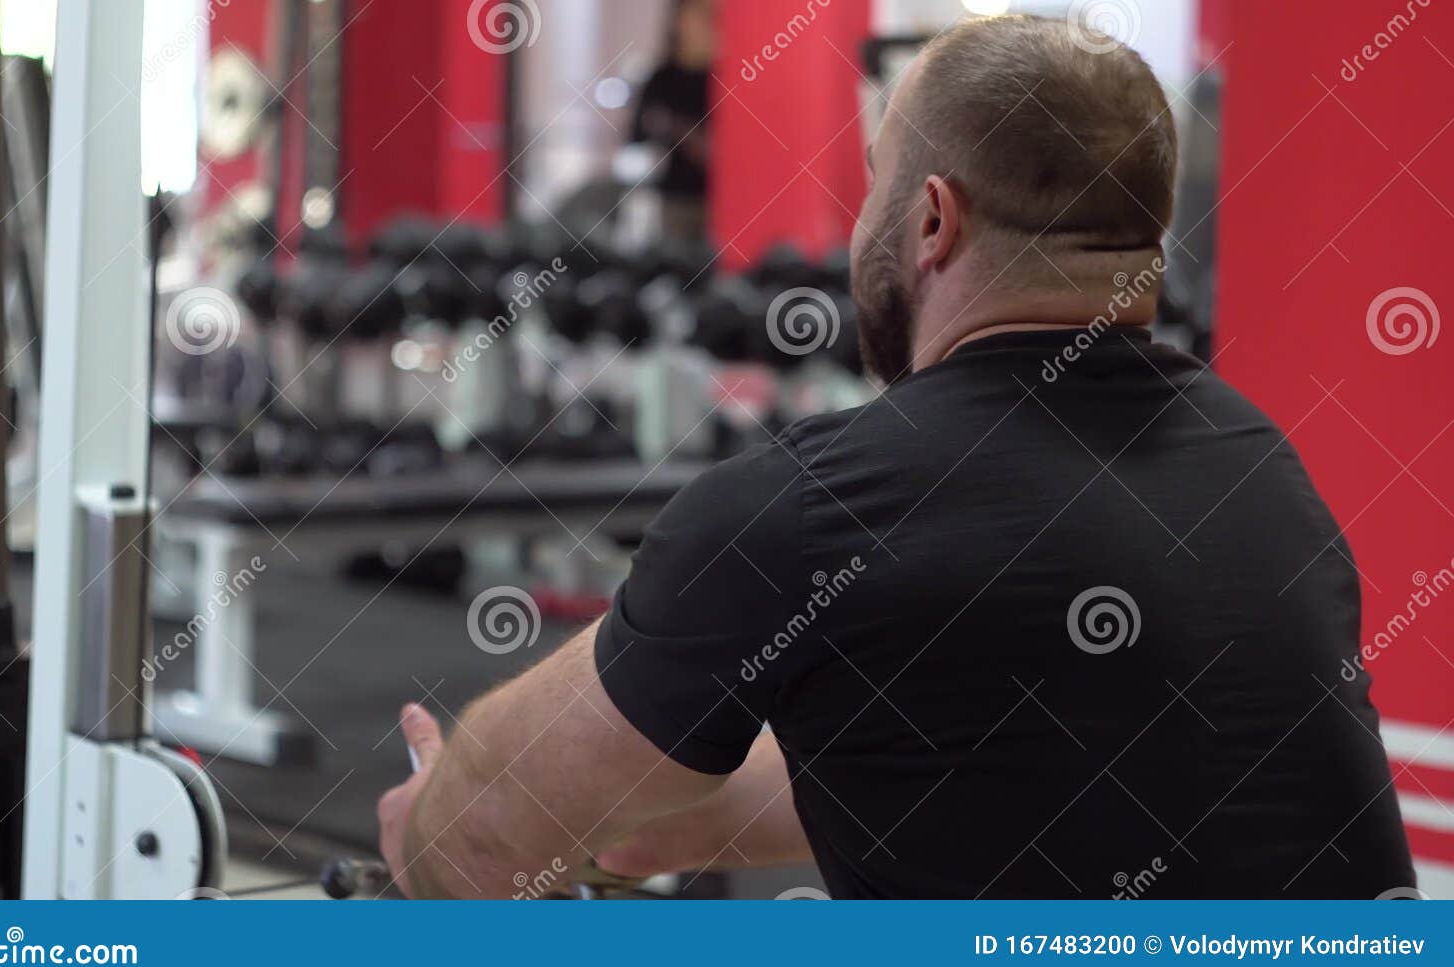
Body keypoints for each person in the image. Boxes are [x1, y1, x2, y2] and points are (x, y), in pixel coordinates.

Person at [375, 15, 1416, 899]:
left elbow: (481, 843)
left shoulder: (809, 508)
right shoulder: (1256, 466)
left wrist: (429, 827)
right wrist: (669, 820)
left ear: (930, 218)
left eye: (876, 179)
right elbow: (992, 748)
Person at [629, 0, 714, 242]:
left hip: (719, 197)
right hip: (676, 197)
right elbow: (636, 134)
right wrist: (673, 129)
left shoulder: (723, 77)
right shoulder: (661, 79)